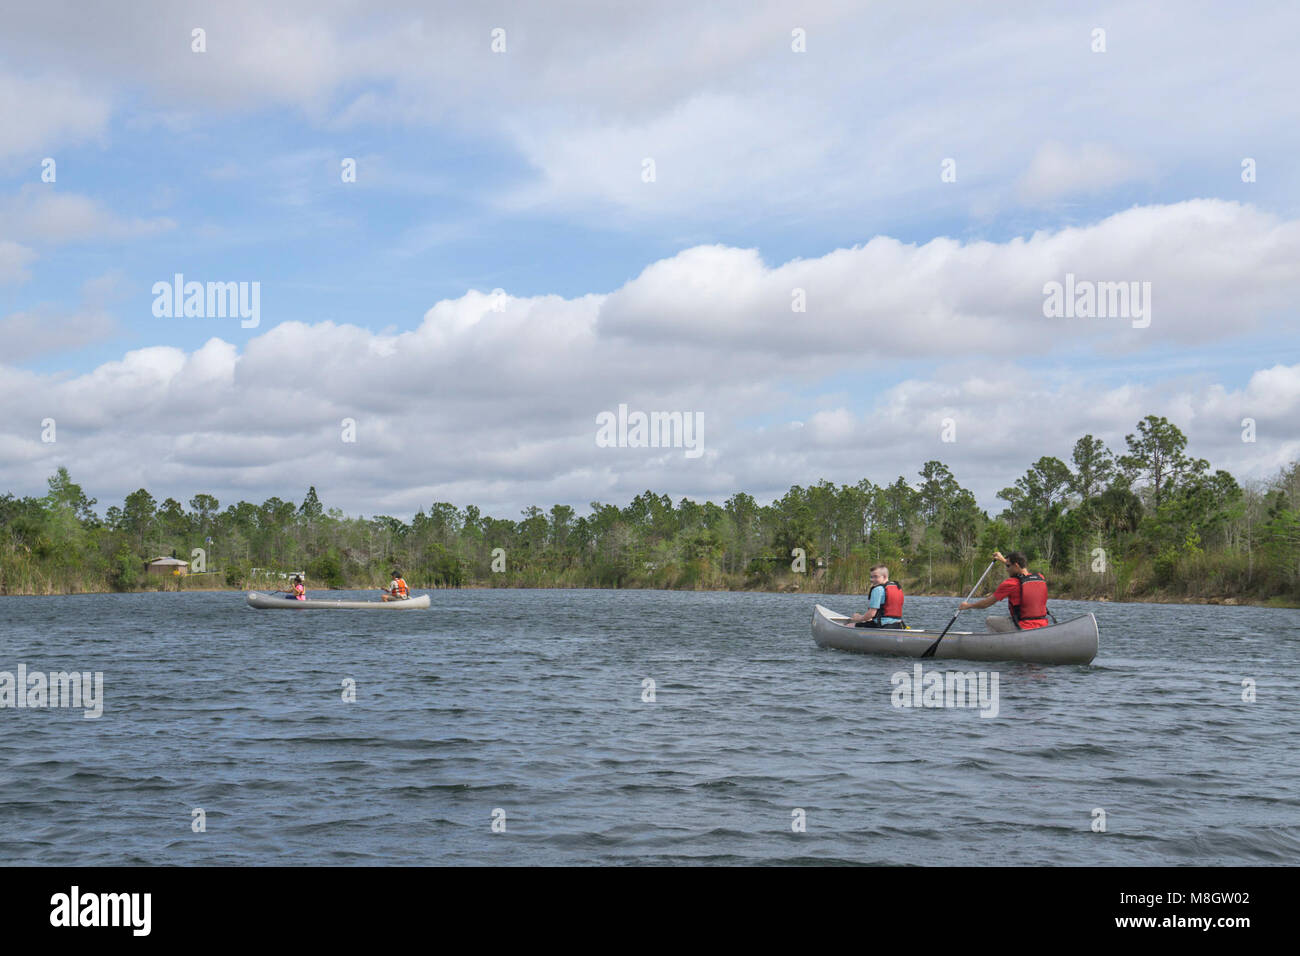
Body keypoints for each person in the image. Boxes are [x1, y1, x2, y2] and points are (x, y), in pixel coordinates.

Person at [959, 550, 1050, 630]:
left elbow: (986, 604)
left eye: (1007, 566)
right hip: (1043, 625)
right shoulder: (1040, 577)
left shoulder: (1010, 584)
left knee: (990, 620)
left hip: (1023, 626)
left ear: (1016, 565)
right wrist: (1004, 560)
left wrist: (968, 606)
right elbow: (1021, 573)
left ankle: (997, 646)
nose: (1006, 569)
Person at [848, 564, 905, 628]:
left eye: (875, 577)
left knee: (849, 625)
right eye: (871, 577)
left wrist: (859, 618)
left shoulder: (878, 589)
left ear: (884, 576)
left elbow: (872, 613)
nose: (872, 579)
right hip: (899, 625)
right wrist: (866, 617)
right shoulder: (897, 587)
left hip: (881, 625)